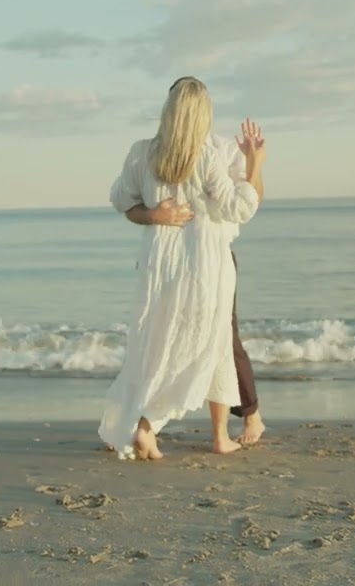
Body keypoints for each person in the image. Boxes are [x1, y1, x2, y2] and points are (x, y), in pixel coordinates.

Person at [99, 77, 267, 460]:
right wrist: (256, 165)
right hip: (206, 264)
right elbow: (240, 208)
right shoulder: (208, 157)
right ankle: (150, 427)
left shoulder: (143, 153)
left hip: (161, 264)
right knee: (207, 346)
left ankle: (151, 425)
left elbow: (122, 202)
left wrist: (153, 215)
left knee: (160, 345)